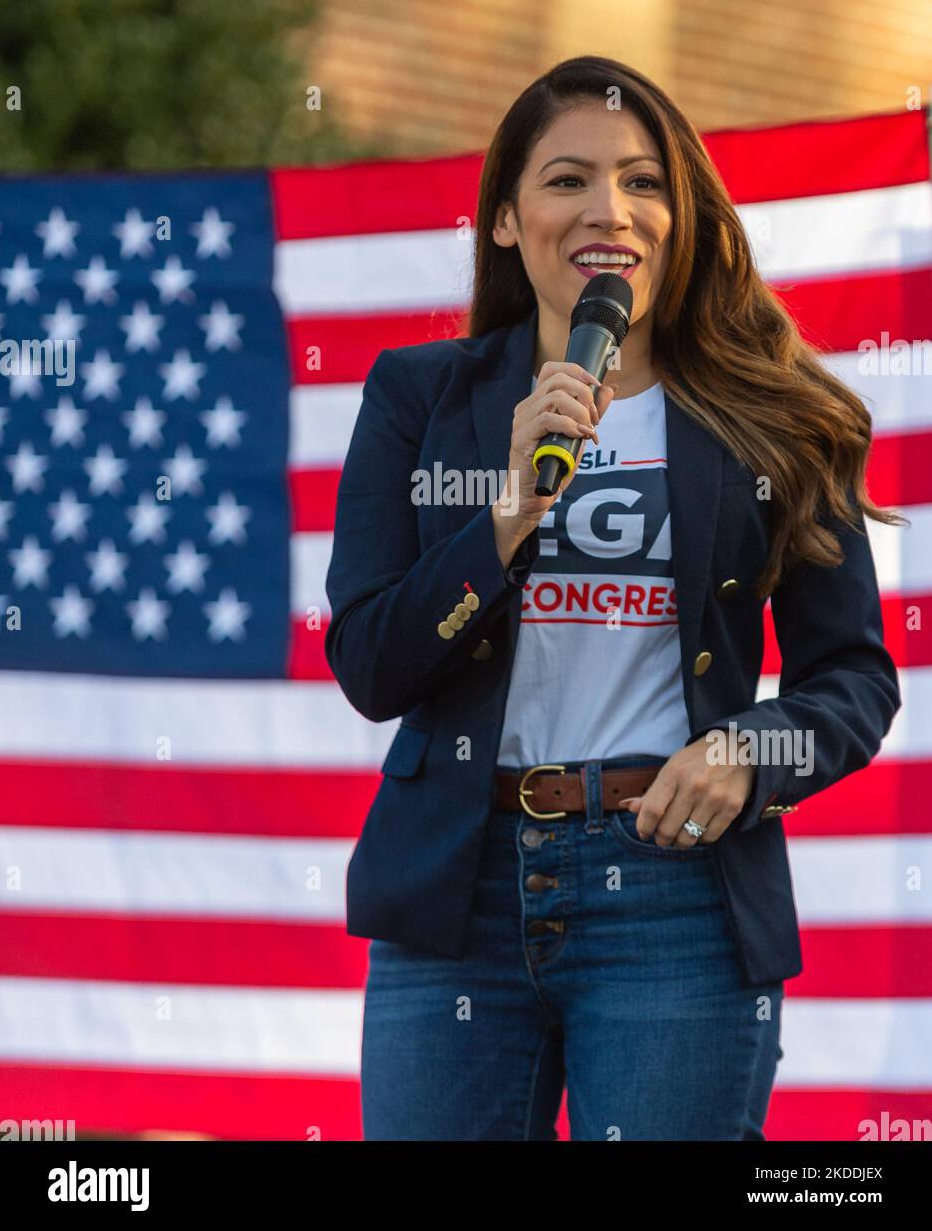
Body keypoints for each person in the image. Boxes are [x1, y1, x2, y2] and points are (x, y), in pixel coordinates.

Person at [324, 55, 903, 1141]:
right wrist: (504, 518)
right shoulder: (418, 396)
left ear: (681, 218)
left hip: (673, 898)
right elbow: (369, 662)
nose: (608, 210)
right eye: (566, 180)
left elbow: (853, 682)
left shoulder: (778, 418)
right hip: (459, 897)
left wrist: (750, 752)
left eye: (642, 182)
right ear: (504, 220)